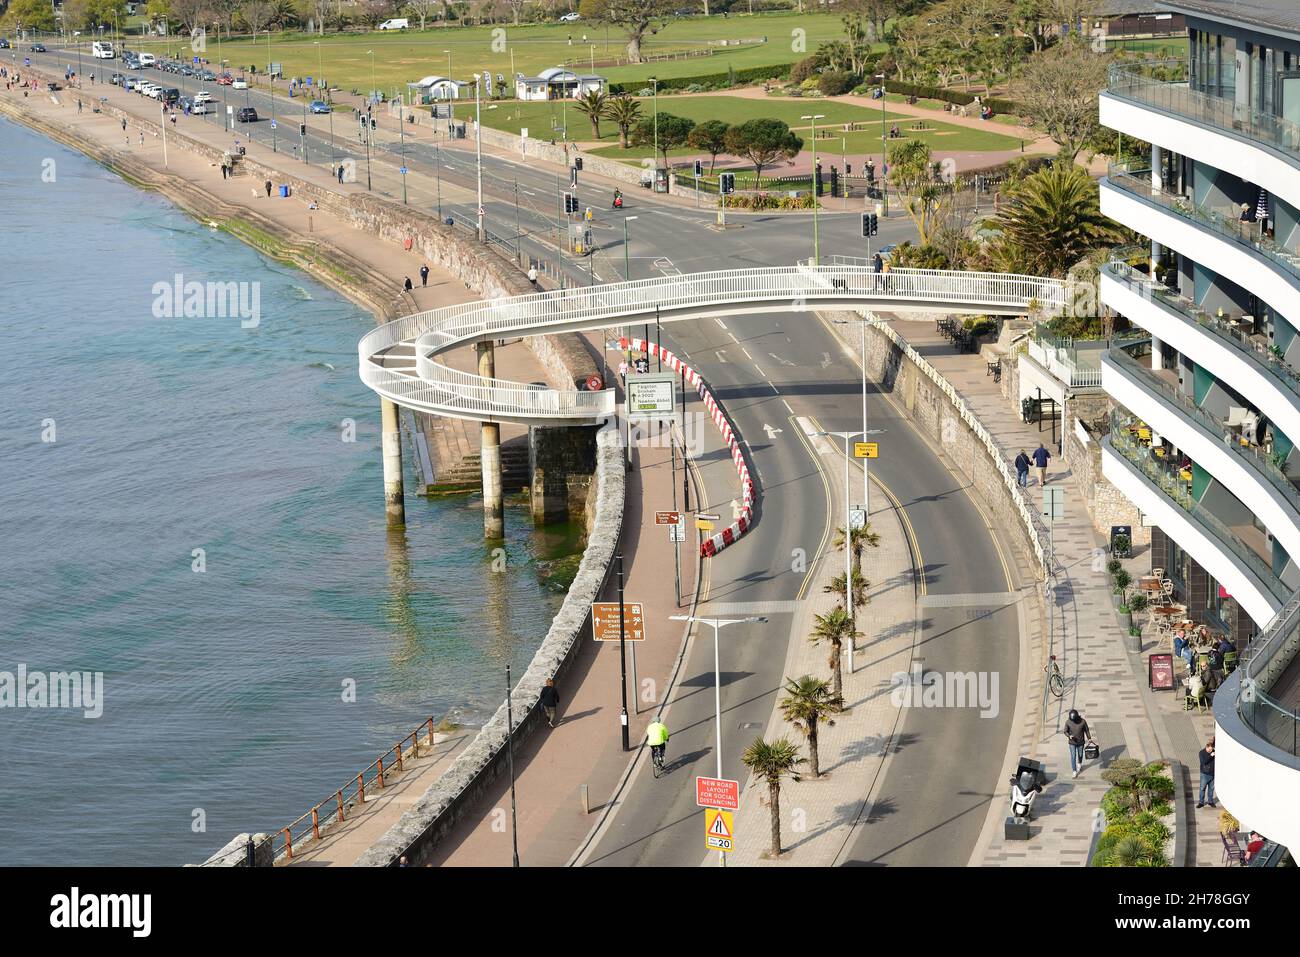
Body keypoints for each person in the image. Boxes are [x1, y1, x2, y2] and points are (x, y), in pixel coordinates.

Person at [1063, 709, 1095, 778]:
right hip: (1072, 742)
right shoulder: (1068, 722)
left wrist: (1089, 738)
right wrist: (1069, 736)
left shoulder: (1083, 721)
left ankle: (1079, 763)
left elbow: (1086, 730)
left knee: (1080, 755)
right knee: (1073, 756)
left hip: (1081, 742)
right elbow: (1065, 731)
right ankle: (1074, 770)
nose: (1073, 721)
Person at [1197, 738, 1216, 808]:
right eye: (1209, 750)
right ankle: (1201, 802)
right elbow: (1204, 762)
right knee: (1202, 788)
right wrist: (1211, 756)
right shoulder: (1201, 753)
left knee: (1211, 788)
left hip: (1213, 774)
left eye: (1212, 749)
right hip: (1205, 774)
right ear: (1206, 747)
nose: (1211, 751)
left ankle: (1210, 801)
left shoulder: (1214, 751)